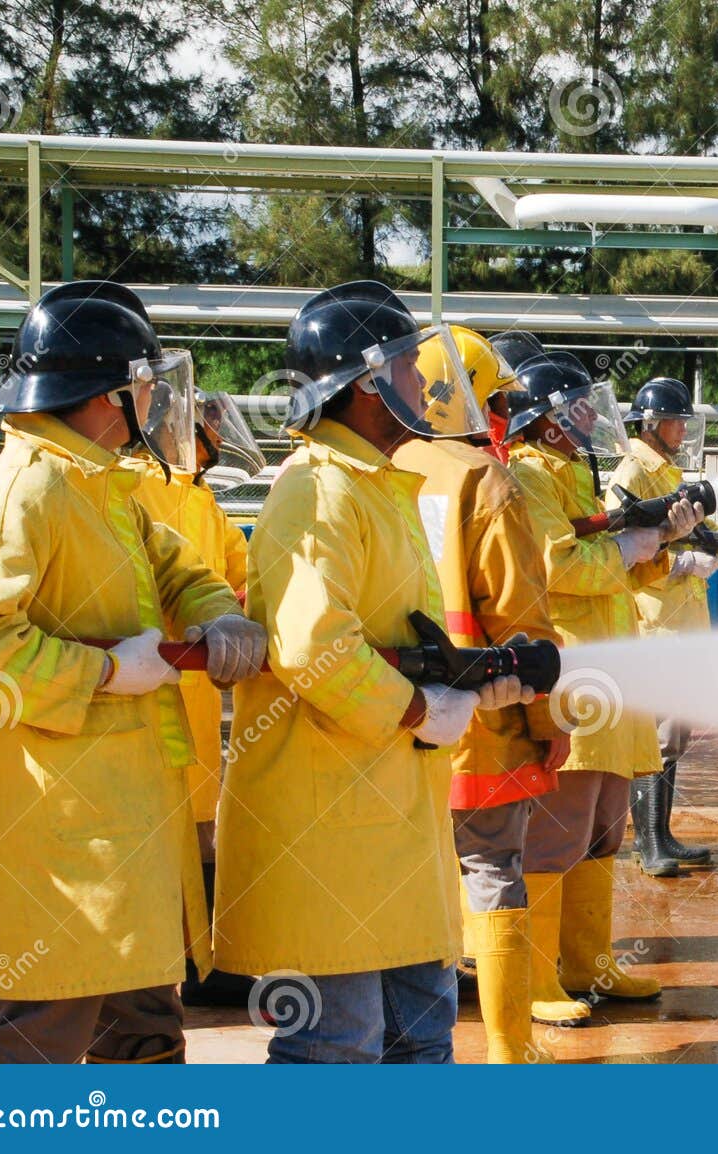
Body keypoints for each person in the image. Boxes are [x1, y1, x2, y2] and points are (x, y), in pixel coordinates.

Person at [0, 280, 265, 1063]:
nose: (154, 397)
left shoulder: (98, 483)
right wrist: (105, 672)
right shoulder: (28, 489)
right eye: (144, 380)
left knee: (146, 1020)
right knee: (44, 1022)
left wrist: (216, 614)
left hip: (121, 823)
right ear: (110, 391)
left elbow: (178, 568)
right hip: (61, 832)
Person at [212, 282, 529, 1064]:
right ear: (366, 386)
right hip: (327, 832)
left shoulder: (378, 487)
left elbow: (399, 635)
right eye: (409, 369)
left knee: (419, 1037)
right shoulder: (316, 490)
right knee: (335, 1046)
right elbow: (313, 646)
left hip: (388, 819)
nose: (425, 385)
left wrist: (461, 681)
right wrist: (422, 711)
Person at [503, 354, 698, 1024]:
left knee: (602, 830)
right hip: (576, 671)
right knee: (558, 834)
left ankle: (589, 963)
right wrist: (629, 547)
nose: (590, 418)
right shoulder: (529, 474)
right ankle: (534, 979)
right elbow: (554, 566)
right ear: (549, 420)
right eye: (578, 408)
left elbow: (622, 568)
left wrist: (658, 542)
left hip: (612, 672)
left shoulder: (573, 473)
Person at [392, 324, 569, 1062]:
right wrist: (549, 718)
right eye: (494, 397)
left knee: (403, 886)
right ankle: (507, 1052)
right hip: (484, 727)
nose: (501, 411)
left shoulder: (379, 467)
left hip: (390, 723)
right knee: (492, 871)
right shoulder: (484, 479)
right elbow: (522, 622)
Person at [127, 390, 264, 1005]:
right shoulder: (131, 487)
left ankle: (202, 962)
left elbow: (238, 574)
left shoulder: (199, 497)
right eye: (206, 426)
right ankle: (166, 964)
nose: (213, 437)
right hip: (147, 686)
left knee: (203, 830)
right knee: (160, 832)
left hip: (201, 690)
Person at [610, 377, 718, 876]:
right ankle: (649, 844)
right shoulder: (633, 472)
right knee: (656, 737)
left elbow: (693, 539)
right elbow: (624, 553)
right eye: (677, 419)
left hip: (683, 627)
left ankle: (661, 835)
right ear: (652, 423)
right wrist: (685, 563)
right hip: (657, 628)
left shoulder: (668, 471)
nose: (683, 427)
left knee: (675, 735)